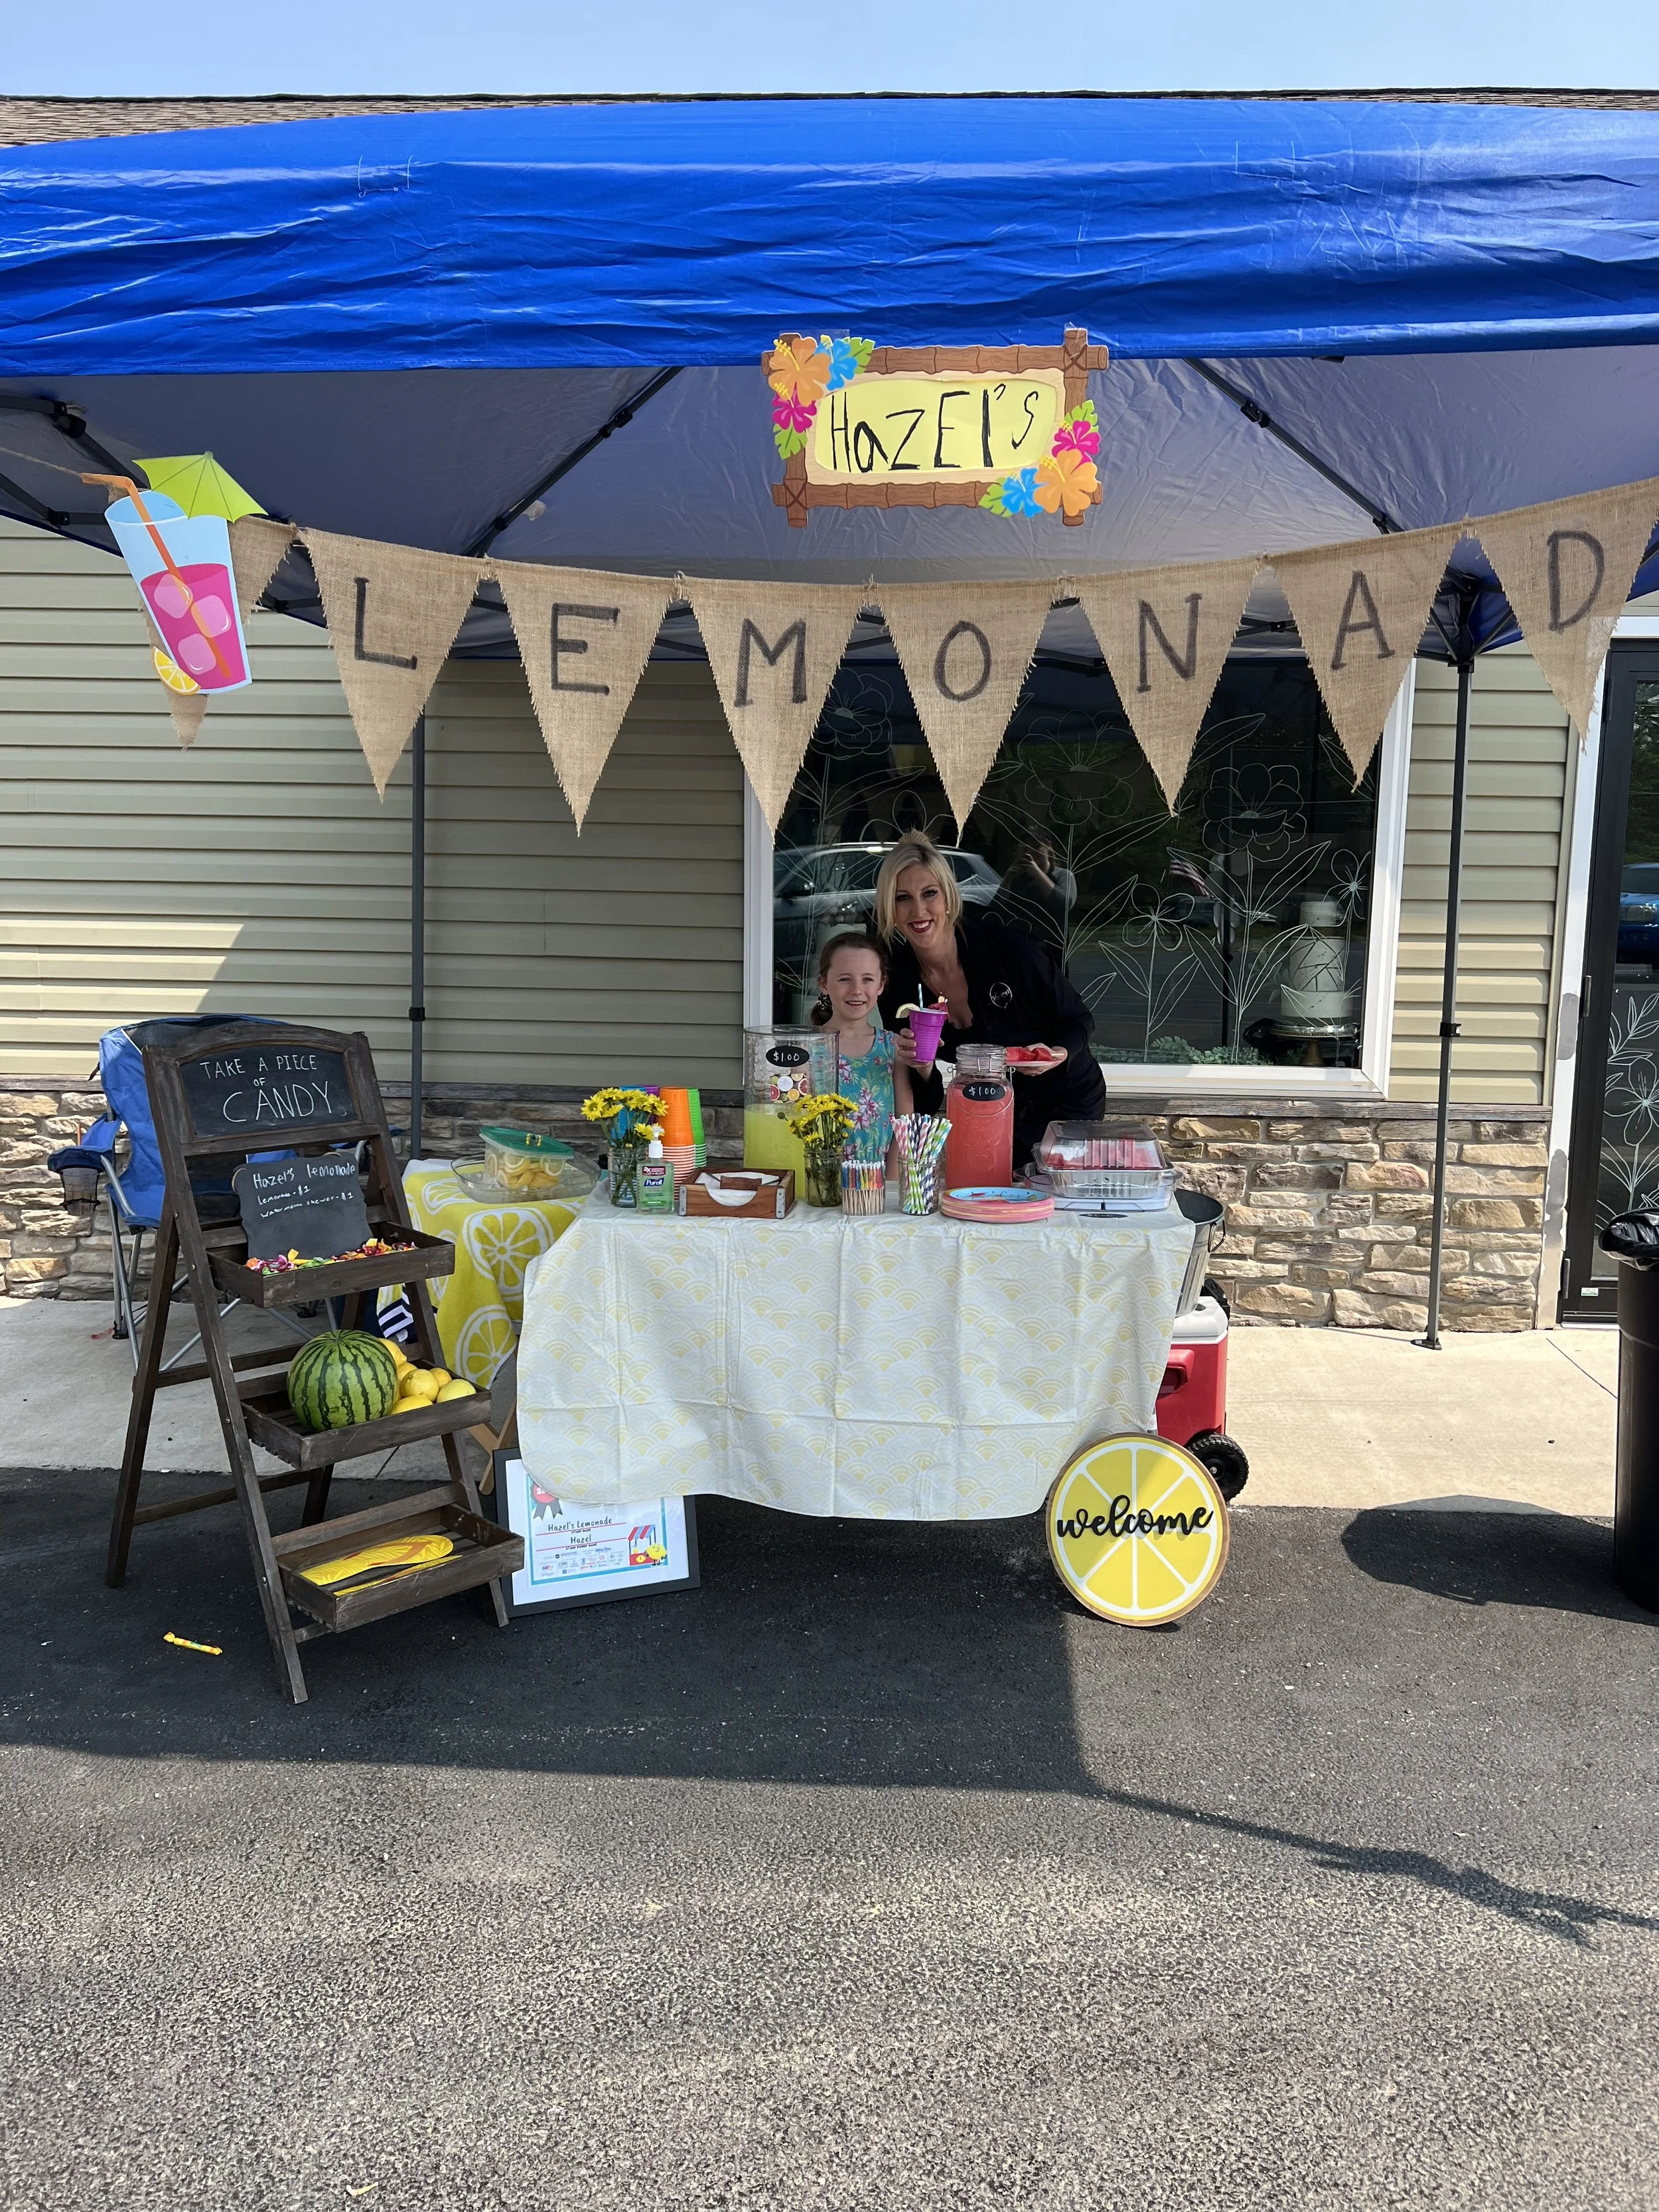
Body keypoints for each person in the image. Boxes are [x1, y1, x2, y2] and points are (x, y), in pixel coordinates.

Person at [873, 834, 1106, 1167]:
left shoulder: (1009, 950)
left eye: (930, 894)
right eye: (903, 898)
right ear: (890, 909)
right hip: (987, 1111)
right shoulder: (898, 986)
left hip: (1067, 1104)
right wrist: (923, 1069)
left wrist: (1057, 1053)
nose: (919, 910)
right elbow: (925, 1096)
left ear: (949, 899)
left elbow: (1079, 1018)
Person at [812, 929, 912, 1162]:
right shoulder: (807, 1049)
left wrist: (892, 1188)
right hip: (821, 1186)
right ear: (824, 984)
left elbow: (903, 1126)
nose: (857, 989)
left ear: (881, 985)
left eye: (867, 979)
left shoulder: (894, 1047)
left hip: (877, 1188)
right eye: (845, 979)